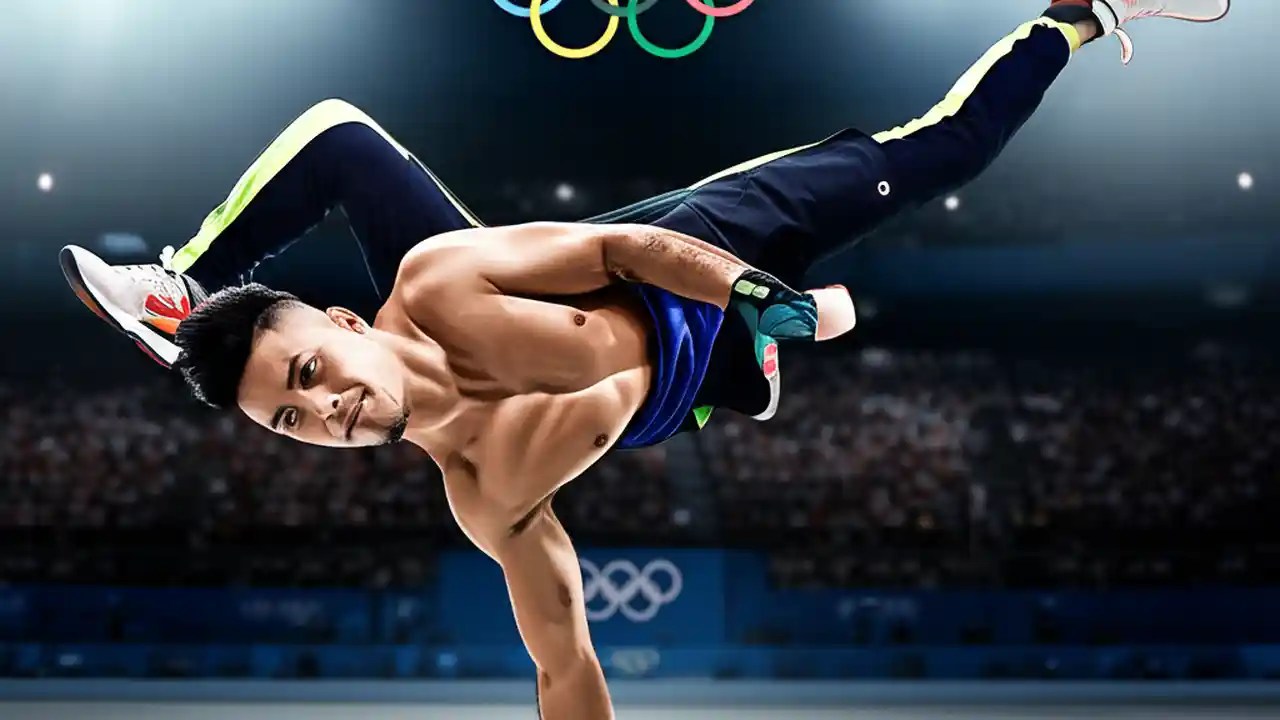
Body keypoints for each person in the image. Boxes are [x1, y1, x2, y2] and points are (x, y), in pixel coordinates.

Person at [58, 2, 1230, 717]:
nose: (323, 412)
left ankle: (1072, 14)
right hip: (687, 381)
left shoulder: (437, 279)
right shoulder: (485, 500)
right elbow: (563, 665)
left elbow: (622, 248)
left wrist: (748, 291)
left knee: (943, 153)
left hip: (695, 253)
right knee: (769, 346)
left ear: (344, 322)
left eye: (307, 375)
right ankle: (767, 354)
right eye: (289, 423)